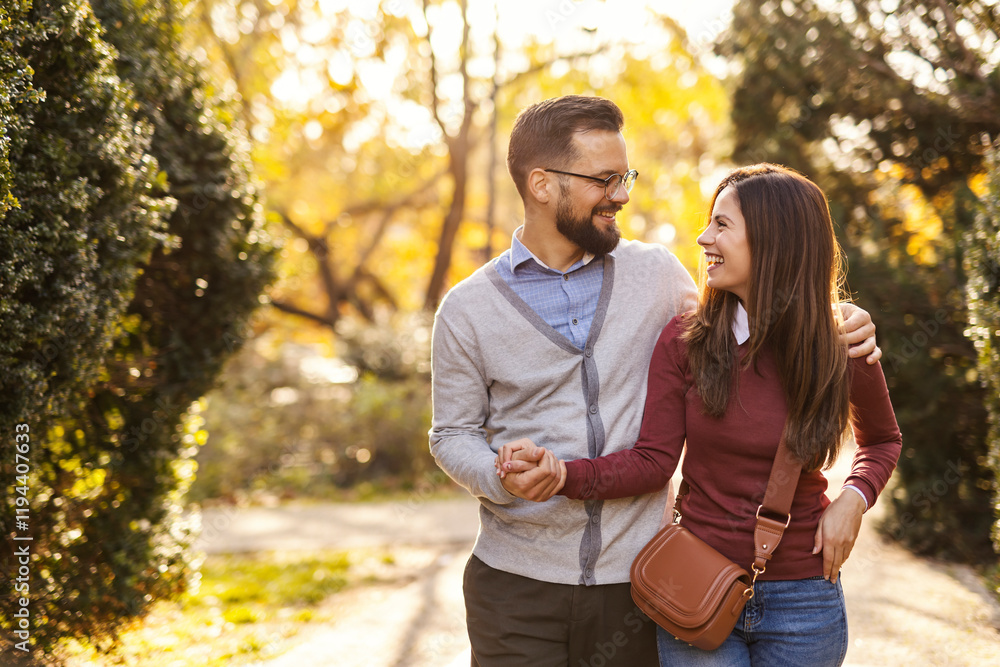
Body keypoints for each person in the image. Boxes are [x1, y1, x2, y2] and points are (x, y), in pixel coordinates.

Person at [429, 96, 880, 667]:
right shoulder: (467, 309)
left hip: (643, 581)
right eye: (604, 179)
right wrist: (503, 477)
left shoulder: (658, 275)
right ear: (541, 184)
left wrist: (837, 316)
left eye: (626, 177)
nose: (621, 194)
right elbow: (451, 436)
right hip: (515, 585)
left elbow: (749, 329)